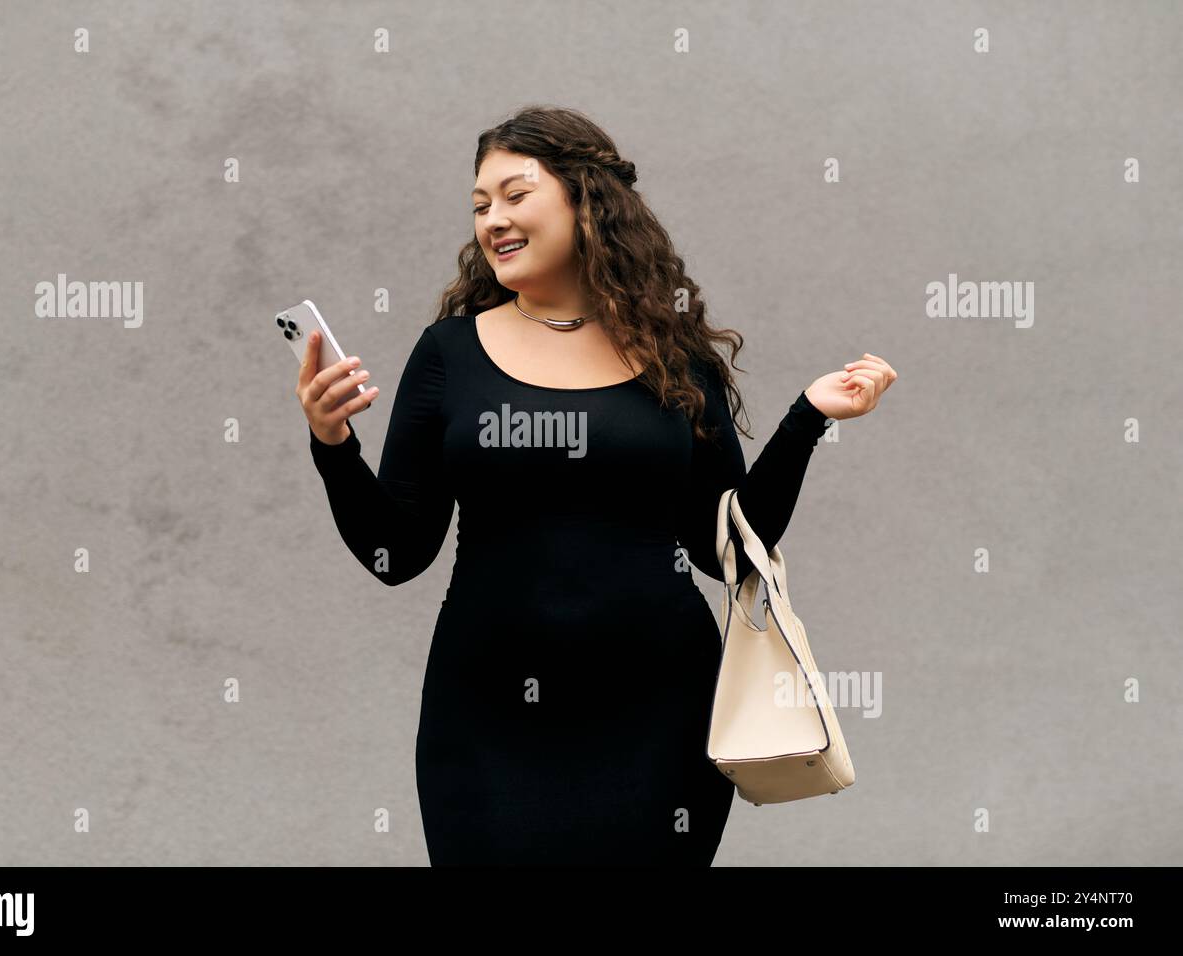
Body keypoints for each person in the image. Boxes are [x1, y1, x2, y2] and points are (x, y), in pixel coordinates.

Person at [296, 106, 896, 866]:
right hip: (486, 717)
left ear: (586, 199)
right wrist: (332, 444)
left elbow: (729, 547)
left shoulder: (673, 355)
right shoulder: (448, 354)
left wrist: (810, 416)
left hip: (657, 715)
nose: (493, 220)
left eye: (516, 195)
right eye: (480, 205)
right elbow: (396, 550)